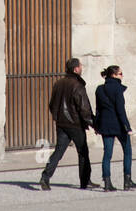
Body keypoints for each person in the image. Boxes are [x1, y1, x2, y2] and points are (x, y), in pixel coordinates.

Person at [40, 58, 100, 191]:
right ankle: (84, 181)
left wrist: (57, 117)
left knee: (58, 152)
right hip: (75, 125)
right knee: (83, 152)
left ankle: (45, 177)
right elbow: (84, 108)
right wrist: (93, 124)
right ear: (75, 69)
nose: (82, 67)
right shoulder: (77, 85)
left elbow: (52, 105)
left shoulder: (58, 83)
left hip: (62, 124)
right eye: (80, 66)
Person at [94, 65, 136, 191]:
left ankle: (107, 182)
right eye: (120, 73)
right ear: (114, 75)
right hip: (118, 125)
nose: (122, 76)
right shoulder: (118, 89)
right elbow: (120, 110)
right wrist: (127, 126)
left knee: (107, 154)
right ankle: (127, 180)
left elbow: (98, 109)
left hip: (105, 124)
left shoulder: (99, 89)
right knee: (127, 151)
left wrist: (97, 125)